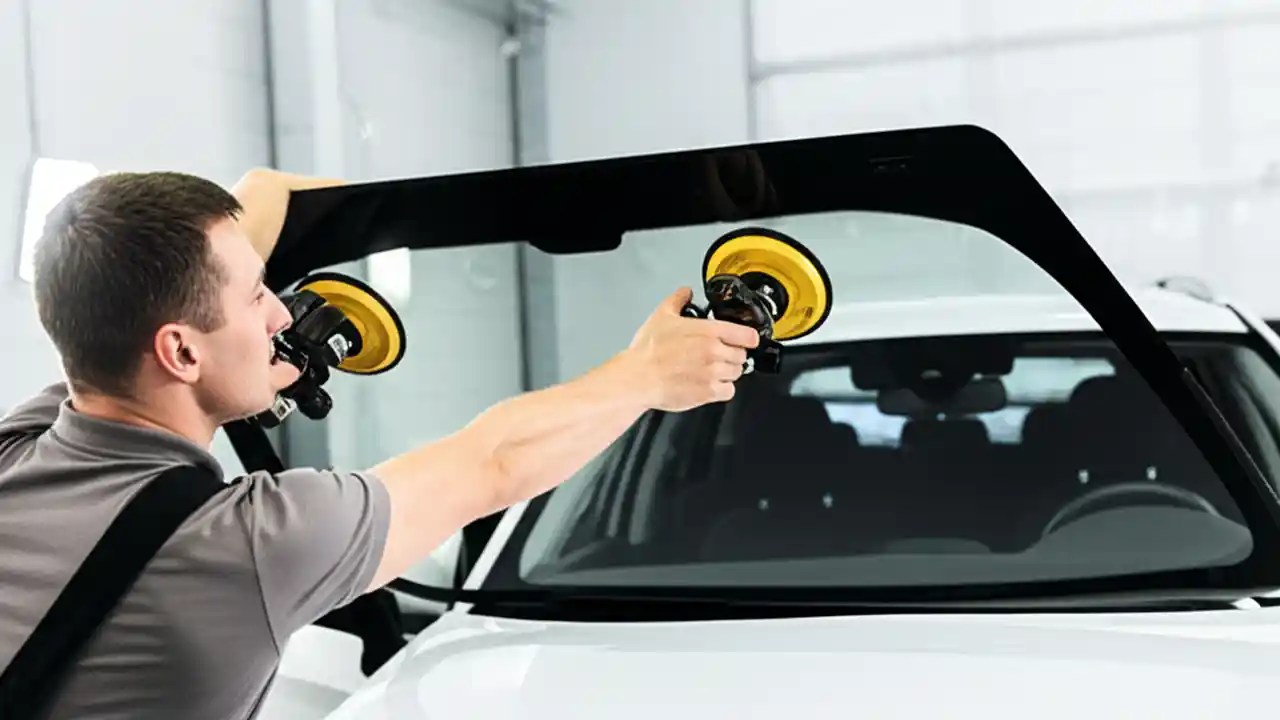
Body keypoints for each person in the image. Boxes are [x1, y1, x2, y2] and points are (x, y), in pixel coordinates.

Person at [0, 168, 760, 719]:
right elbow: (492, 463)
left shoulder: (20, 451)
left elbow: (152, 289)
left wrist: (252, 215)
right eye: (257, 295)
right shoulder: (255, 544)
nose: (279, 317)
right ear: (182, 354)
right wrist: (644, 376)